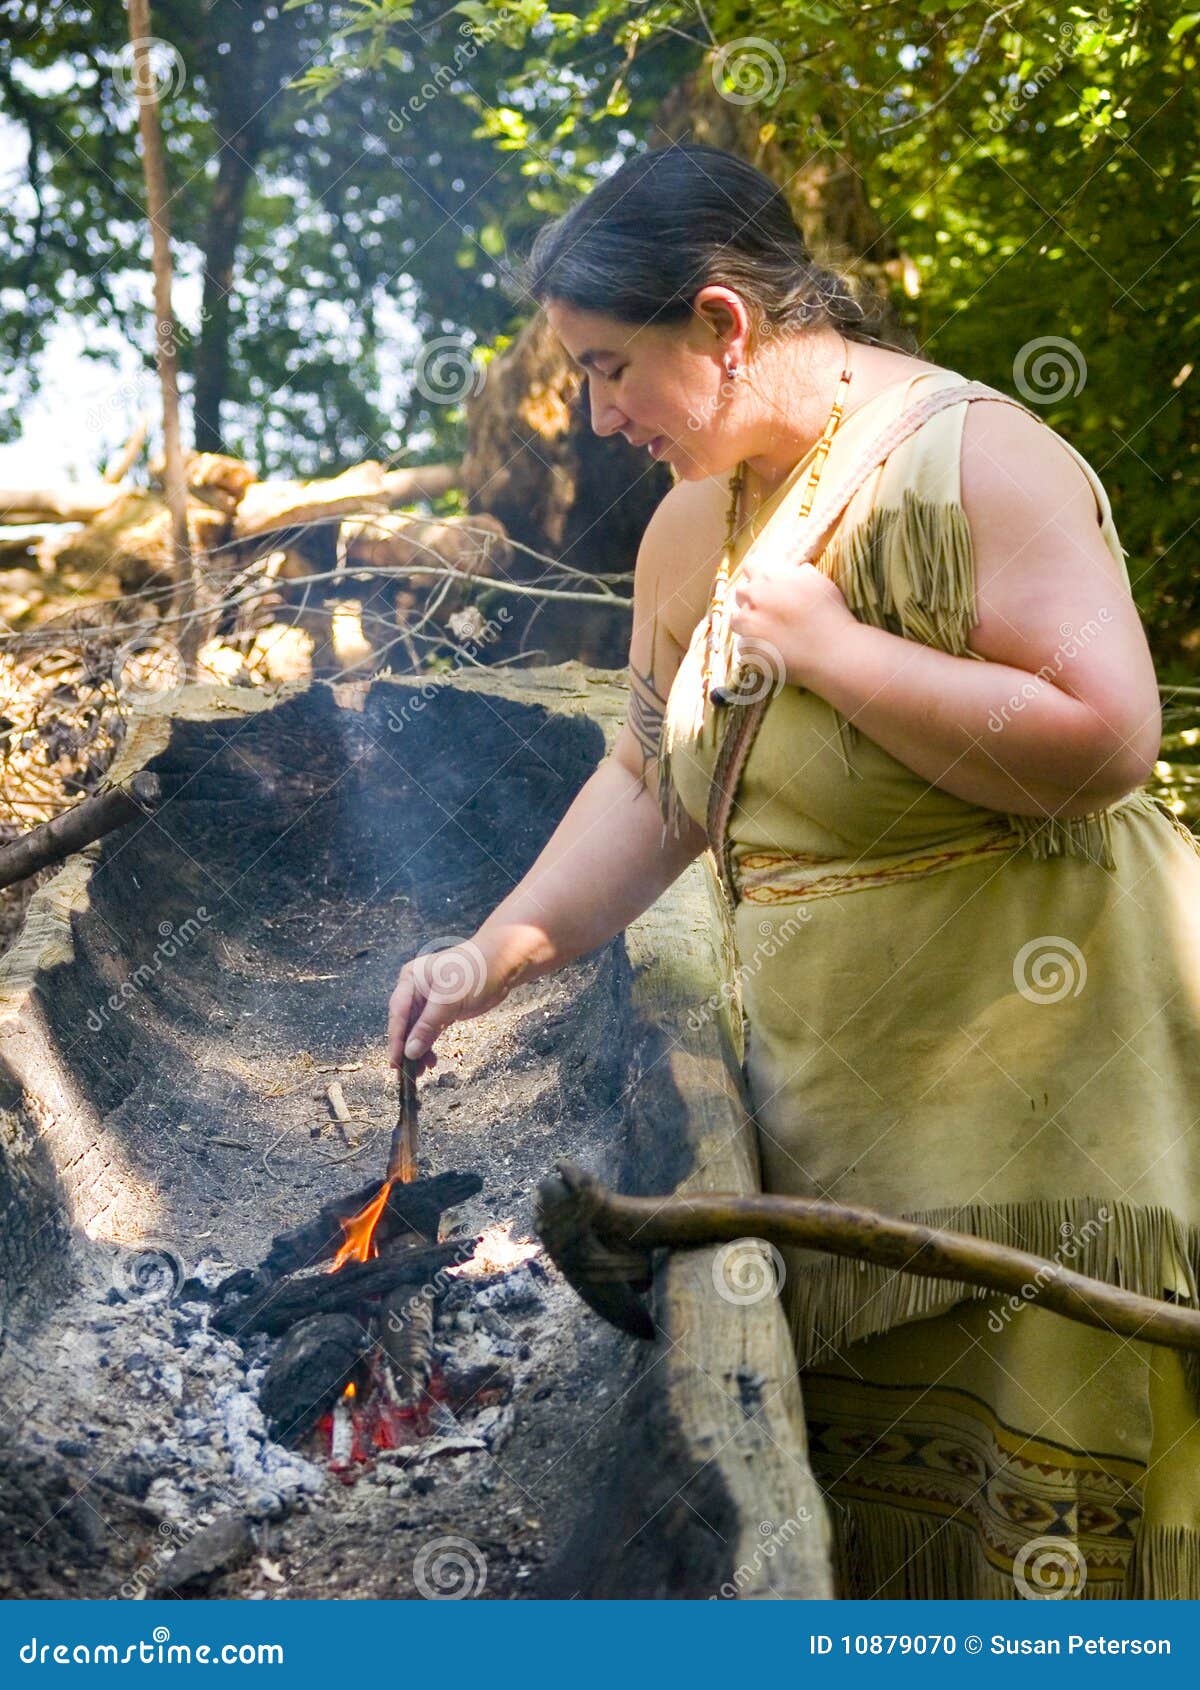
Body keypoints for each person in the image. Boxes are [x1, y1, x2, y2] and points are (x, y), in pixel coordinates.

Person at [387, 143, 1200, 1599]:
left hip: (1050, 1135)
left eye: (608, 366)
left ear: (721, 322)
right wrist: (492, 949)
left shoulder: (968, 459)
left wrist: (837, 647)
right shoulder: (690, 529)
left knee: (1061, 1550)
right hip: (847, 1144)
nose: (594, 411)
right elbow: (649, 779)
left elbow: (1108, 739)